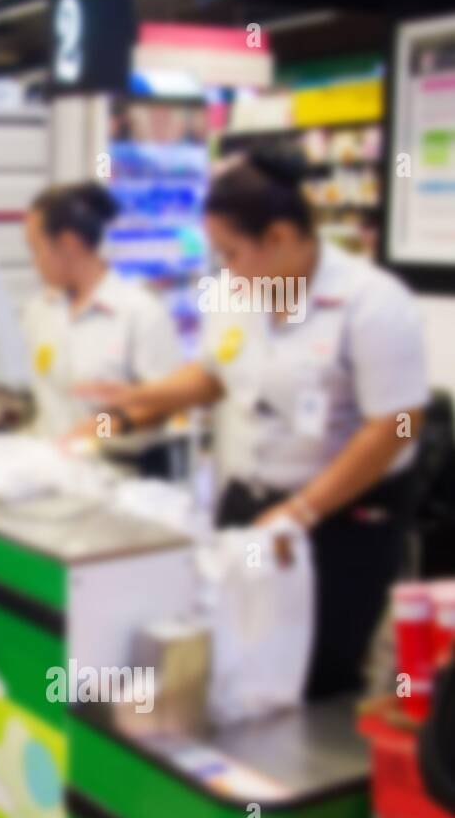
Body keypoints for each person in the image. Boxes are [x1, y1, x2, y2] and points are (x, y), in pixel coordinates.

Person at [75, 150, 429, 701]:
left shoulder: (374, 304)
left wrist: (303, 509)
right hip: (248, 507)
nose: (227, 269)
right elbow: (214, 375)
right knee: (235, 665)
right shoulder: (239, 295)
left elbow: (399, 424)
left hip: (335, 528)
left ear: (282, 237)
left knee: (309, 684)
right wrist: (140, 397)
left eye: (233, 253)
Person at [22, 181, 182, 437]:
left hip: (119, 466)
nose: (33, 262)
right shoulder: (40, 309)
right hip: (51, 464)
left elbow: (165, 404)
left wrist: (103, 427)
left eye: (36, 249)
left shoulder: (140, 312)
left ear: (68, 244)